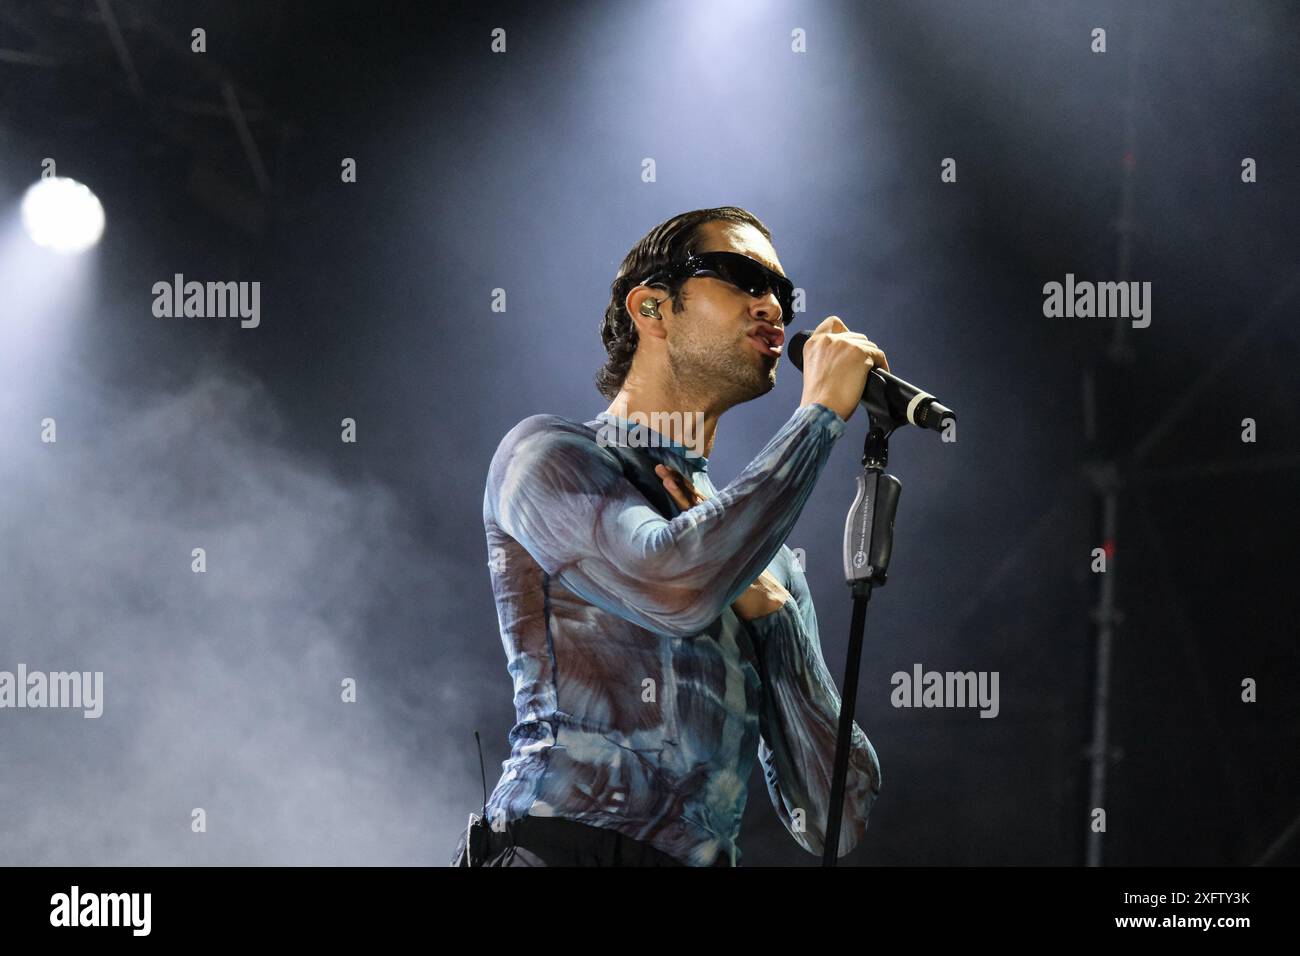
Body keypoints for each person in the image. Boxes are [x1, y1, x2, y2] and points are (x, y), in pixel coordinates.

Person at [457, 206, 887, 867]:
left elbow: (837, 817)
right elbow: (674, 585)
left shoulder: (763, 563)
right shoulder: (547, 455)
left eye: (783, 292)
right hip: (561, 849)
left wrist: (777, 625)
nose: (773, 305)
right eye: (744, 277)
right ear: (652, 307)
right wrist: (821, 414)